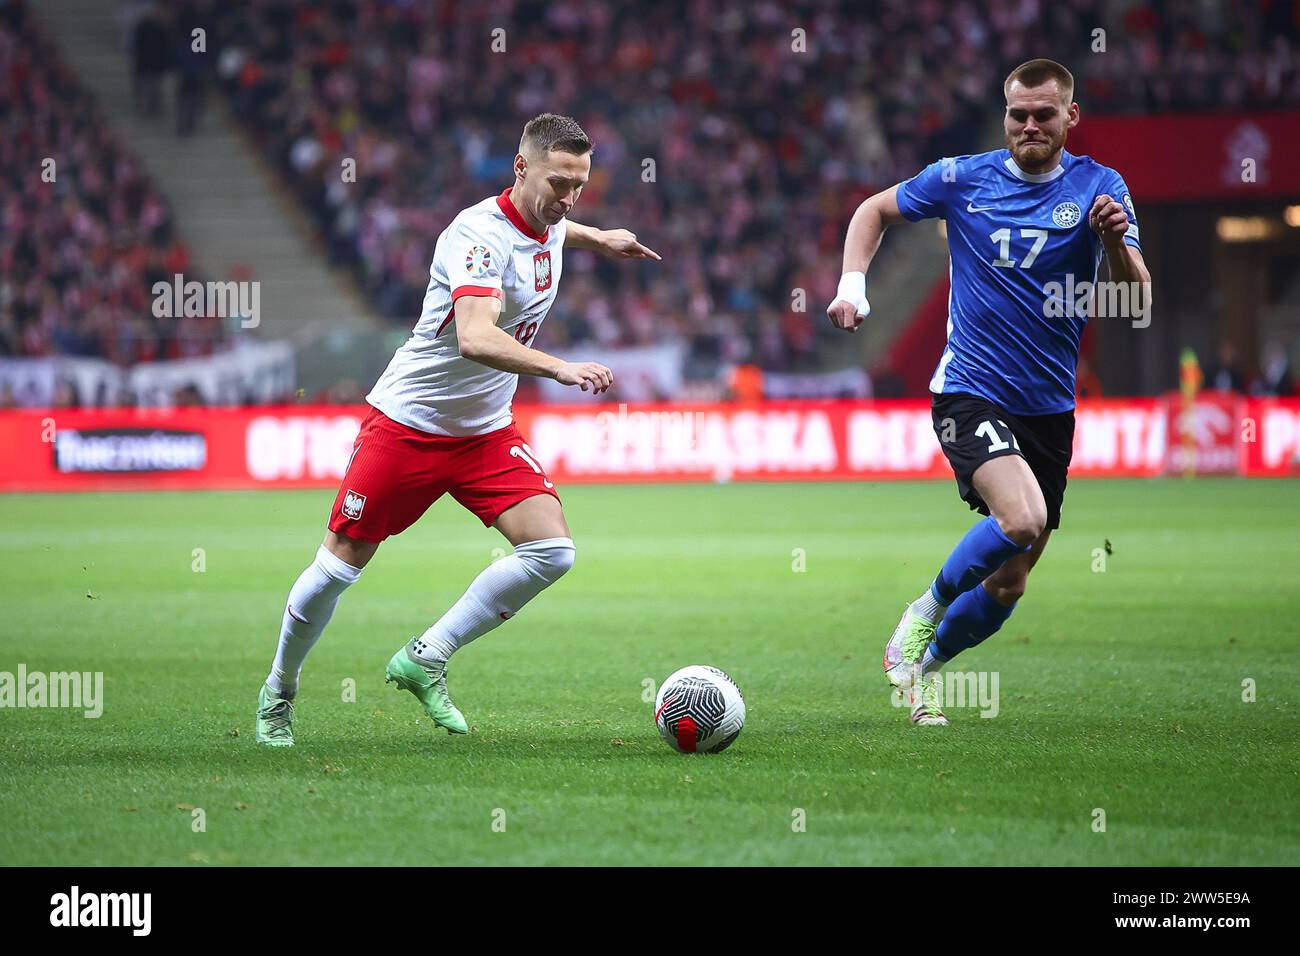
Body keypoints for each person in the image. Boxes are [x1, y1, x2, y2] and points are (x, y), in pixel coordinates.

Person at [256, 114, 660, 745]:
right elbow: (473, 337)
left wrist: (599, 238)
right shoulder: (475, 237)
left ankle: (425, 657)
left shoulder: (551, 218)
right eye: (560, 182)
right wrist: (560, 368)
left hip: (484, 432)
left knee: (552, 552)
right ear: (521, 167)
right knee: (338, 568)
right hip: (409, 424)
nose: (570, 197)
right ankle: (279, 690)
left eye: (581, 183)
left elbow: (552, 233)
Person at [826, 59, 1151, 726]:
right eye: (1017, 114)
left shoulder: (1100, 188)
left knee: (1010, 582)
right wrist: (852, 286)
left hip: (1049, 410)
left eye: (1043, 114)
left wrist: (1117, 243)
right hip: (969, 391)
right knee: (1022, 519)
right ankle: (920, 617)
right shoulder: (960, 178)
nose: (1029, 125)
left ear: (1071, 118)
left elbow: (1136, 295)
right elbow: (873, 210)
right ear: (1004, 116)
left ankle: (920, 671)